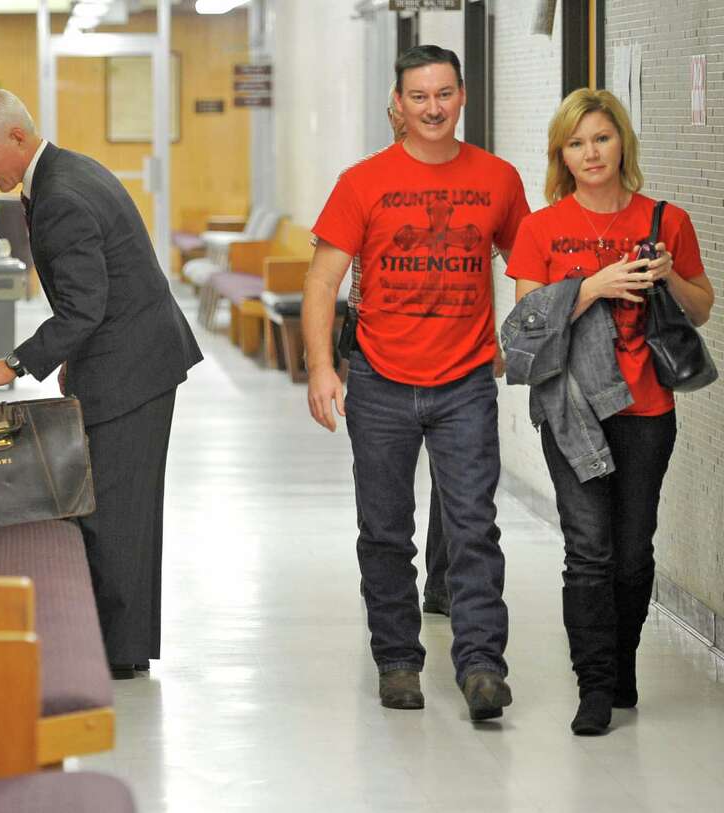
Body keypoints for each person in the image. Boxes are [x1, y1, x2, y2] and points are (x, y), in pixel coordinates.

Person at [303, 45, 530, 720]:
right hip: (378, 379)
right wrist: (321, 367)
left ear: (462, 97)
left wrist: (511, 338)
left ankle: (483, 666)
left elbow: (532, 264)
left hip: (465, 381)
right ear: (398, 104)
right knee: (384, 531)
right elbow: (322, 279)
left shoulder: (498, 179)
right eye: (419, 96)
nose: (433, 107)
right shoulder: (362, 182)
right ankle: (398, 660)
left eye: (444, 94)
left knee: (474, 527)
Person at [0, 89, 203, 680]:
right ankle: (123, 647)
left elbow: (84, 308)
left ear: (17, 138)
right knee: (121, 506)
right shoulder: (65, 169)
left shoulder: (61, 195)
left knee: (113, 510)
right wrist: (74, 358)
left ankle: (117, 652)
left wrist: (13, 363)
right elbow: (94, 294)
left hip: (133, 364)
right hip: (129, 353)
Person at [503, 88, 714, 735]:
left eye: (600, 138)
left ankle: (621, 665)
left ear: (622, 140)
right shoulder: (542, 227)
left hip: (647, 408)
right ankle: (594, 685)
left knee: (631, 552)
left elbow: (700, 305)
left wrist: (669, 276)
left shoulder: (664, 219)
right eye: (575, 142)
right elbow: (525, 325)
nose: (590, 152)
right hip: (572, 410)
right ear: (560, 155)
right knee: (589, 551)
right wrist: (592, 286)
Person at [337, 86, 454, 618]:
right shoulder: (365, 180)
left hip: (450, 345)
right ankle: (387, 591)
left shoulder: (466, 179)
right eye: (401, 109)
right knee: (384, 487)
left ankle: (445, 583)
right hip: (377, 346)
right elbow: (335, 268)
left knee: (458, 482)